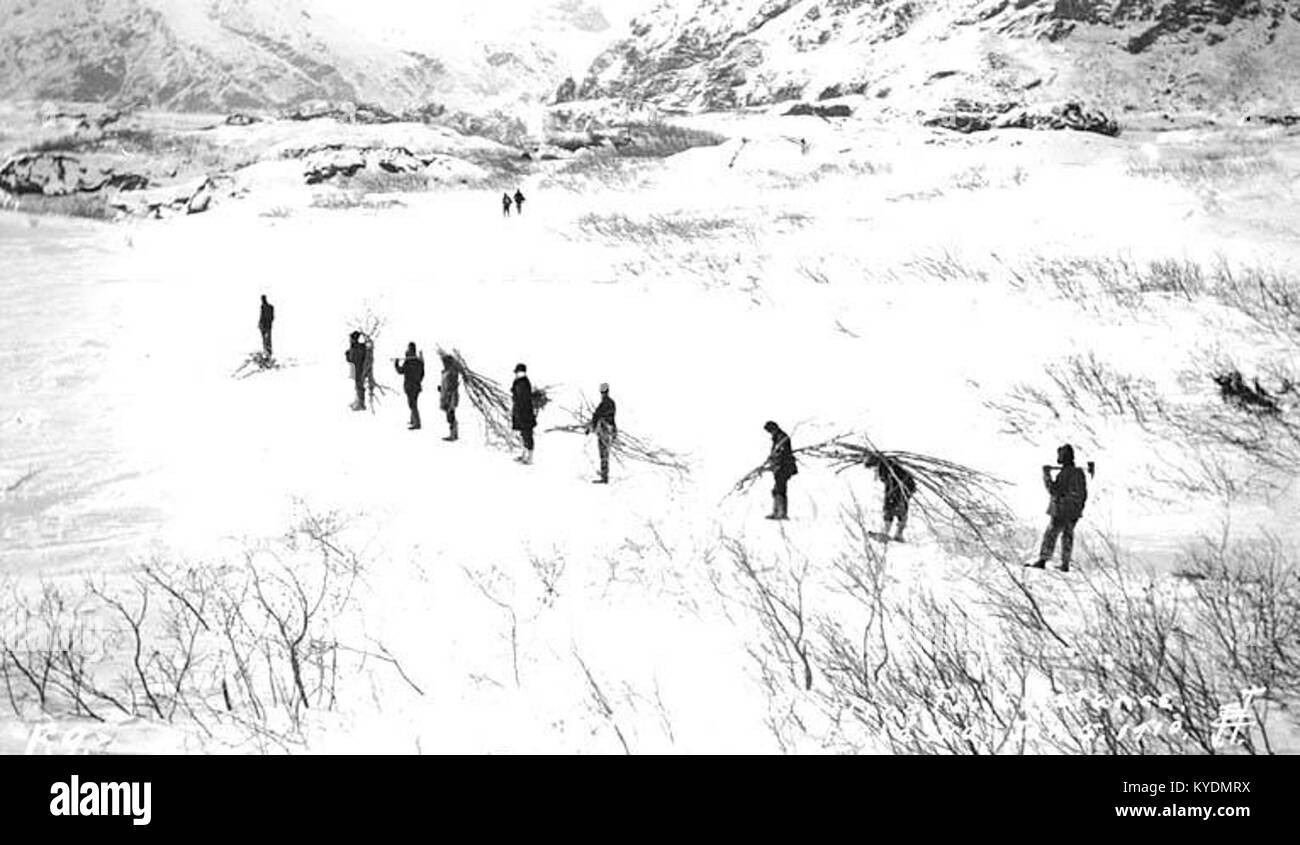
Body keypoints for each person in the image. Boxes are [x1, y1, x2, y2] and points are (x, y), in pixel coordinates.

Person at [1029, 443, 1088, 572]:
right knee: (1067, 536)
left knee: (1051, 534)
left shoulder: (1064, 474)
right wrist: (1079, 508)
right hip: (1074, 511)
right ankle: (1065, 563)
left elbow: (1053, 490)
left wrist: (1046, 475)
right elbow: (1084, 494)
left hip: (1061, 510)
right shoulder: (1079, 473)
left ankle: (1043, 560)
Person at [871, 456, 916, 542]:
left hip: (899, 494)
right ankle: (896, 534)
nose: (875, 474)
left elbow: (895, 487)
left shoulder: (889, 471)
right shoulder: (893, 470)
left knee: (892, 512)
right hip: (902, 494)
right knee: (899, 513)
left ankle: (892, 534)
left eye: (875, 470)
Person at [762, 421, 797, 520]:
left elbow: (782, 454)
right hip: (779, 468)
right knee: (777, 489)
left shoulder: (783, 438)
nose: (770, 433)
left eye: (770, 431)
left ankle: (781, 513)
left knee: (780, 489)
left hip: (784, 468)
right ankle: (777, 511)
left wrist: (775, 462)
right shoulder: (777, 438)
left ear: (774, 429)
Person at [587, 383, 617, 484]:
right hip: (609, 430)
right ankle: (605, 474)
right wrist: (614, 431)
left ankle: (604, 477)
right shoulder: (612, 403)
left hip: (604, 430)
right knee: (605, 453)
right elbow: (612, 419)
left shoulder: (603, 404)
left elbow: (596, 417)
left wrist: (591, 428)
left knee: (603, 453)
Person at [394, 343, 425, 430]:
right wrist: (418, 381)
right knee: (413, 402)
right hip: (417, 386)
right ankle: (413, 420)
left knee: (412, 404)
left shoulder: (408, 361)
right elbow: (422, 374)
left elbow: (400, 371)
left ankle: (417, 423)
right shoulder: (419, 361)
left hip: (409, 386)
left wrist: (396, 364)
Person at [511, 363, 536, 464]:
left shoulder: (524, 383)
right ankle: (524, 454)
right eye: (517, 372)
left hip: (525, 413)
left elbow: (524, 400)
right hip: (519, 412)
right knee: (522, 434)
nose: (518, 374)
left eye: (519, 372)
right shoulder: (518, 382)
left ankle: (529, 457)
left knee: (527, 434)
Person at [345, 331, 370, 411]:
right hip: (356, 368)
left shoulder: (358, 347)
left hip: (359, 368)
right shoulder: (358, 347)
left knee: (359, 385)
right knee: (358, 385)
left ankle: (361, 403)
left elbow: (353, 359)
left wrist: (348, 355)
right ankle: (358, 401)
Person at [438, 353, 460, 441]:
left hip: (450, 397)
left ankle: (453, 434)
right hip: (446, 395)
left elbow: (452, 386)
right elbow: (446, 384)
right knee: (450, 414)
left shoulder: (451, 373)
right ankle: (454, 434)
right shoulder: (447, 372)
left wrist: (449, 396)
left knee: (450, 415)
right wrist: (442, 389)